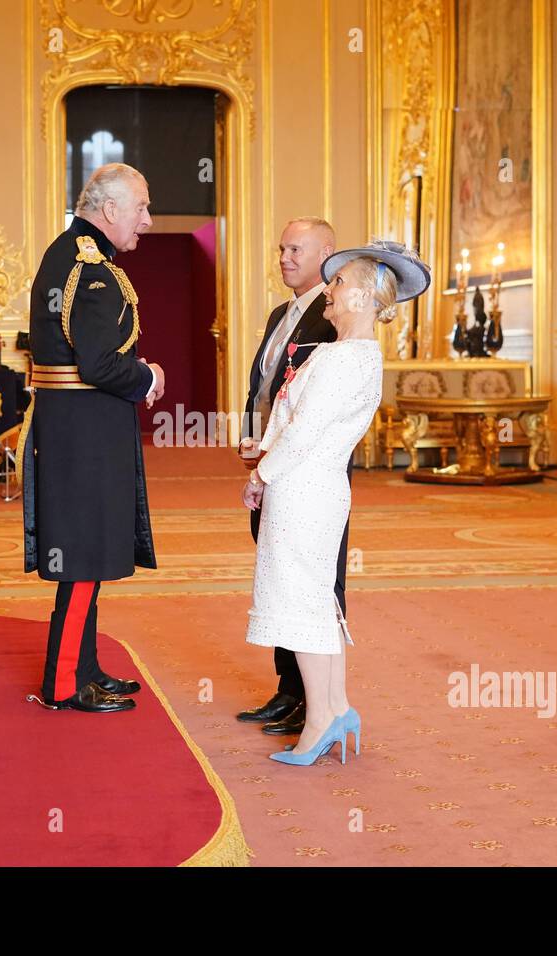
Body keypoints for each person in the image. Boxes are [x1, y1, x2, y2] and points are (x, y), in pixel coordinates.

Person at [243, 240, 430, 765]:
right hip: (305, 486)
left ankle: (321, 720)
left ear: (367, 296)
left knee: (303, 602)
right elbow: (292, 419)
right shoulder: (339, 352)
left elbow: (305, 432)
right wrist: (264, 451)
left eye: (341, 282)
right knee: (316, 601)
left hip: (306, 489)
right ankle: (335, 709)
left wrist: (261, 472)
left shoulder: (350, 359)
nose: (330, 289)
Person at [18, 162, 165, 713]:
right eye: (142, 208)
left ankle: (86, 667)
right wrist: (149, 377)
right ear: (109, 211)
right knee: (83, 553)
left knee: (91, 548)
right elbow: (101, 364)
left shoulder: (80, 254)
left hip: (79, 425)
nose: (147, 221)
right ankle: (63, 684)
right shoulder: (91, 267)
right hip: (84, 431)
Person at [235, 217, 342, 739]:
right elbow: (265, 386)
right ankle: (286, 690)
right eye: (281, 248)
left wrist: (273, 458)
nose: (284, 257)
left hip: (308, 477)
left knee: (311, 582)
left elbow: (315, 410)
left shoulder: (335, 317)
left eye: (295, 249)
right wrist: (252, 441)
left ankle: (311, 700)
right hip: (272, 468)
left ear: (327, 252)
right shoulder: (283, 312)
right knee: (280, 577)